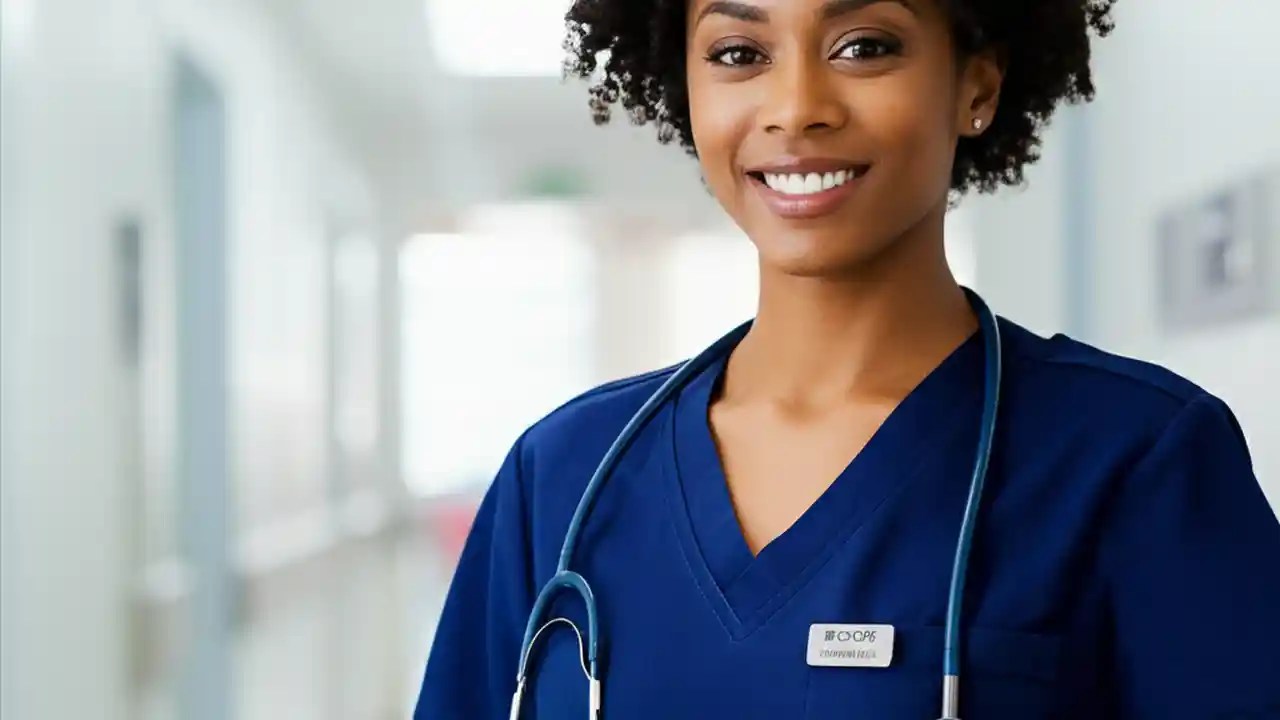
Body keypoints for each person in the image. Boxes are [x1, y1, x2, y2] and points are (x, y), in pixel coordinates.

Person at [414, 0, 1280, 717]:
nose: (796, 106)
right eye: (739, 51)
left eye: (864, 47)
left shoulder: (1135, 460)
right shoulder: (563, 474)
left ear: (976, 84)